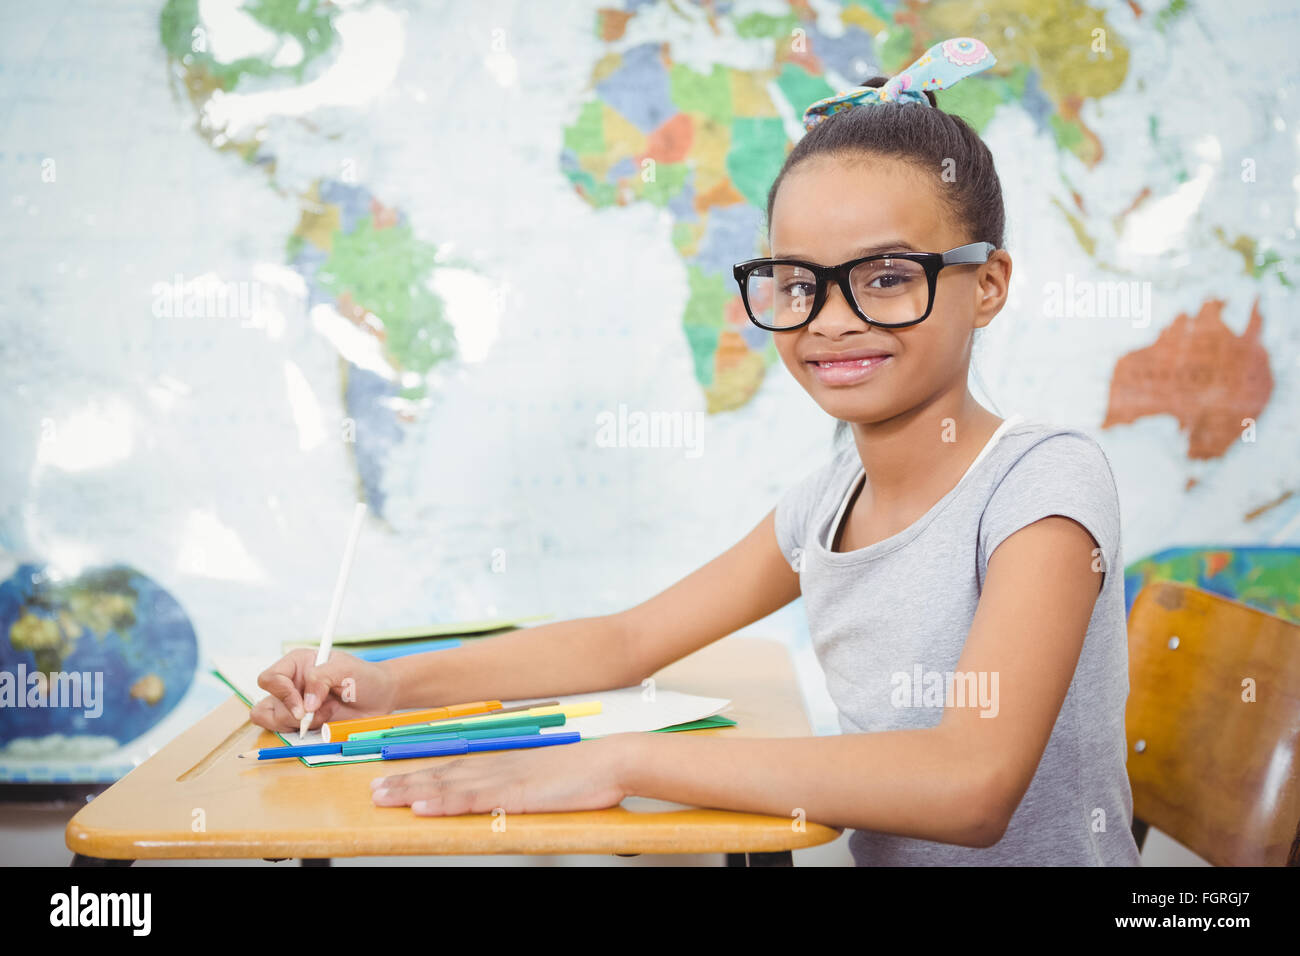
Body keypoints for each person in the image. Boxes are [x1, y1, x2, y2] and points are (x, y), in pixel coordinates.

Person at [251, 37, 1140, 865]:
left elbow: (969, 783)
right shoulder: (831, 501)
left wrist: (626, 763)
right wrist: (386, 685)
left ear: (987, 284)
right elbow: (628, 641)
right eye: (796, 282)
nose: (831, 319)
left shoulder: (1042, 483)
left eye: (886, 277)